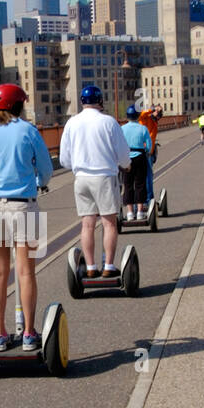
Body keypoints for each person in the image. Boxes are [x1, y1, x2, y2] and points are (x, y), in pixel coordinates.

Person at [0, 83, 53, 351]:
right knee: (25, 272)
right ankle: (28, 334)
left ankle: (1, 335)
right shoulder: (28, 131)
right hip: (22, 205)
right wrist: (38, 181)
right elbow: (46, 169)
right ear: (19, 105)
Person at [59, 84, 130, 277]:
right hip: (105, 176)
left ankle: (90, 267)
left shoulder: (72, 123)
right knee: (109, 223)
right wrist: (125, 164)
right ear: (100, 101)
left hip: (81, 178)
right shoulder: (109, 122)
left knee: (87, 224)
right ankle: (108, 266)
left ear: (82, 102)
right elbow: (124, 154)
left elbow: (64, 159)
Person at [120, 105, 153, 221]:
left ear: (127, 116)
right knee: (140, 184)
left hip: (127, 158)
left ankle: (129, 213)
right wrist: (147, 152)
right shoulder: (143, 128)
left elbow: (118, 144)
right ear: (138, 116)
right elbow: (149, 146)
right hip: (140, 157)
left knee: (128, 185)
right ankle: (139, 211)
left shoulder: (122, 129)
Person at [138, 104, 162, 205]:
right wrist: (151, 110)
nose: (160, 114)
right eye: (158, 112)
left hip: (150, 153)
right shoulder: (146, 119)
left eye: (160, 112)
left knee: (148, 177)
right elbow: (141, 115)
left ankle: (149, 199)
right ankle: (146, 200)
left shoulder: (155, 122)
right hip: (143, 152)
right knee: (145, 177)